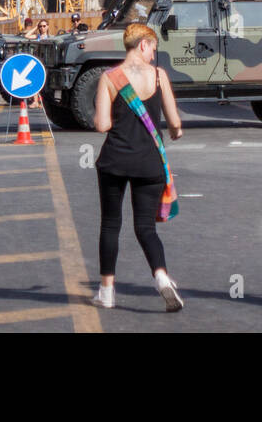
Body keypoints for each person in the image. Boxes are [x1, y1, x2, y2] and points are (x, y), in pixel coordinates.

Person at [90, 22, 185, 312]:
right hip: (149, 163)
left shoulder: (109, 78)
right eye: (153, 48)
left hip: (115, 161)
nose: (154, 55)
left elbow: (102, 124)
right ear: (143, 44)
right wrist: (174, 132)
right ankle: (161, 278)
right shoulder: (159, 76)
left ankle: (107, 292)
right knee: (145, 228)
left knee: (110, 225)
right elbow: (176, 124)